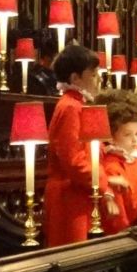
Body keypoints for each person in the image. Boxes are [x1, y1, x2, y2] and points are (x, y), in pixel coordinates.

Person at [43, 45, 101, 247]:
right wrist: (102, 182)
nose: (98, 80)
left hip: (76, 193)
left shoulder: (76, 104)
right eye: (93, 75)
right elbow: (72, 159)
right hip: (69, 198)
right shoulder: (71, 107)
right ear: (75, 78)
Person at [97, 92, 137, 235]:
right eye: (127, 135)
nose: (135, 140)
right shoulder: (112, 165)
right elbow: (117, 218)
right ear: (111, 137)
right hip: (130, 231)